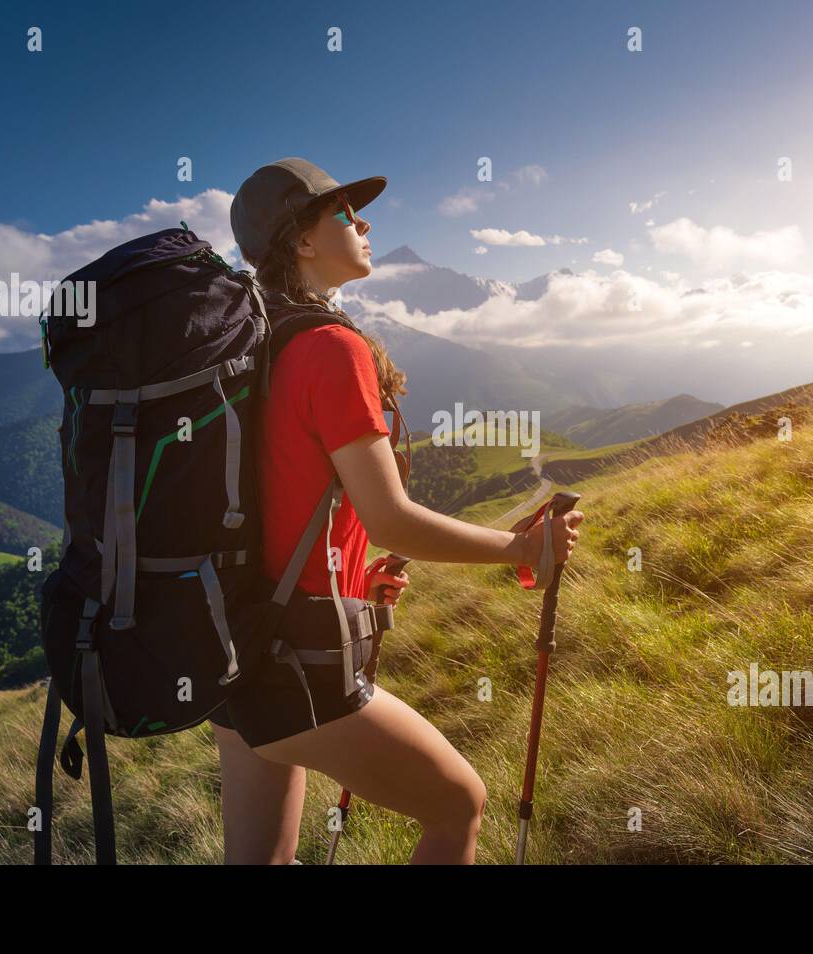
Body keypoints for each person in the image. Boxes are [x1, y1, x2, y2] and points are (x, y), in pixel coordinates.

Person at [207, 157, 583, 864]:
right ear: (302, 242)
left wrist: (352, 583)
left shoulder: (254, 343)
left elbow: (274, 496)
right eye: (343, 214)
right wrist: (521, 550)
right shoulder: (329, 347)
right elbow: (394, 520)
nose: (365, 222)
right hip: (300, 664)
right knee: (457, 804)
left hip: (237, 646)